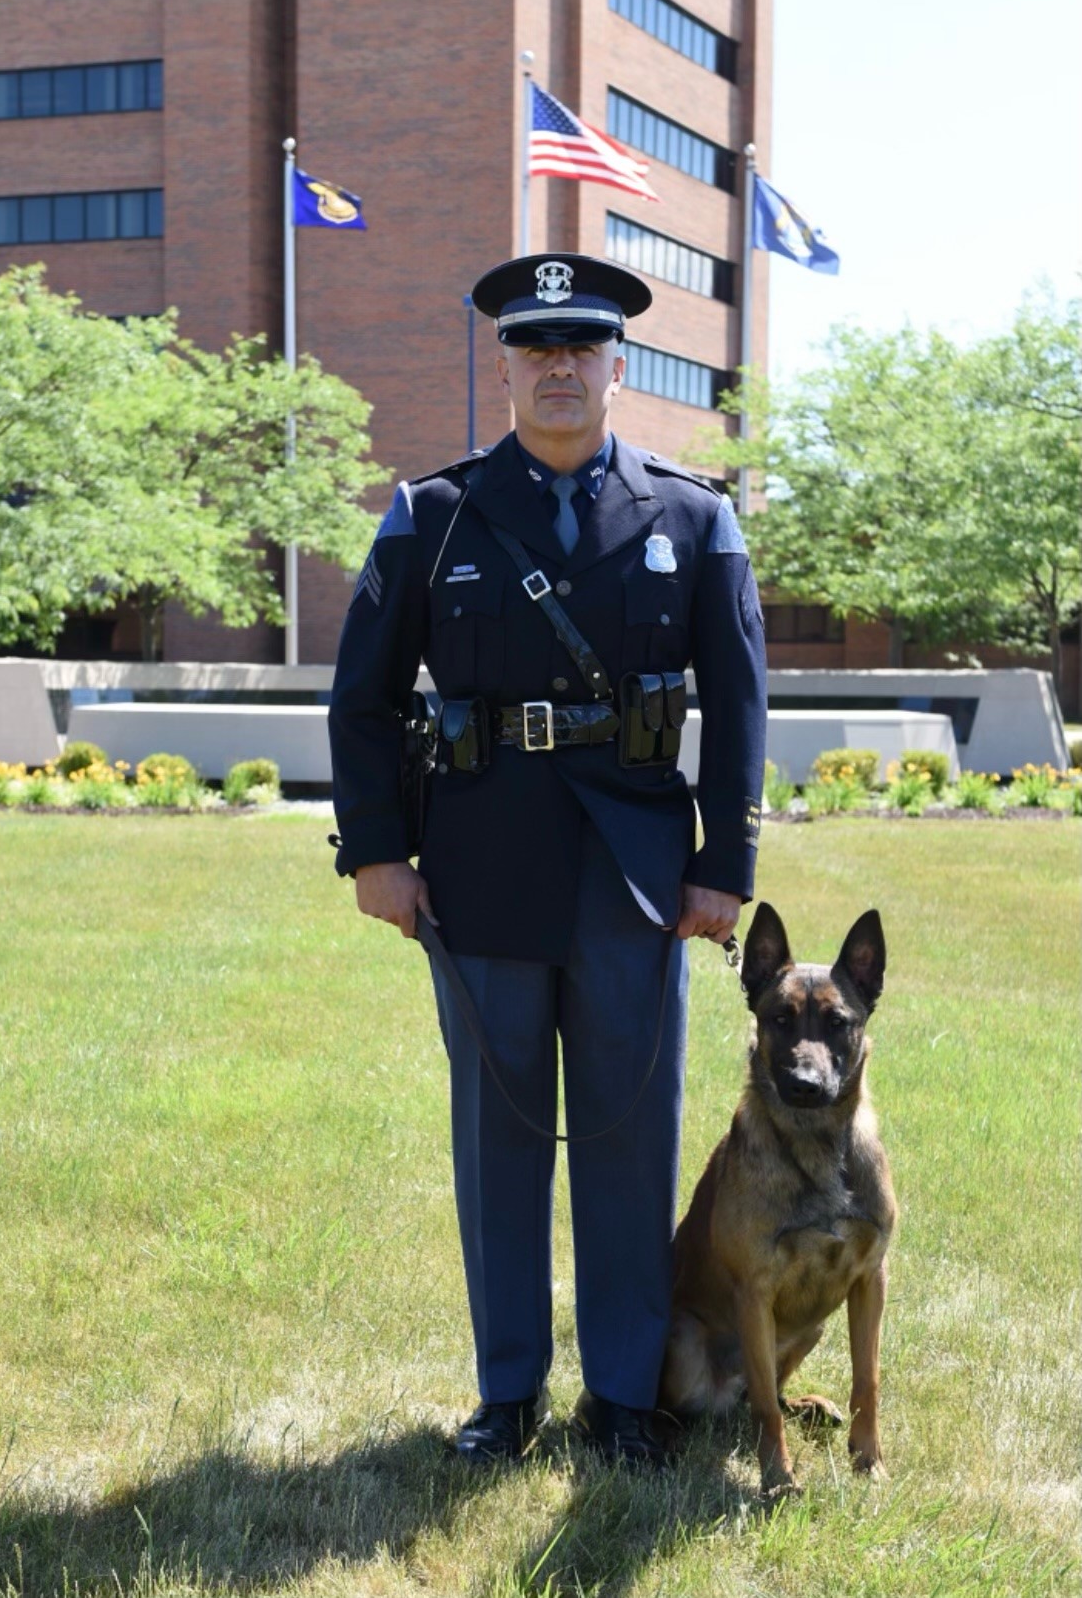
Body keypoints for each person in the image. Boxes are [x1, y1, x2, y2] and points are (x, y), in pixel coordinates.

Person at [329, 252, 767, 1466]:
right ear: (506, 364)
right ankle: (508, 1390)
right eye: (535, 346)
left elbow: (739, 706)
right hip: (477, 865)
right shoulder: (434, 516)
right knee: (498, 1133)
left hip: (636, 873)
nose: (558, 365)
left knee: (629, 1133)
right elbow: (361, 698)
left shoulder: (693, 517)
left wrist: (722, 865)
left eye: (581, 346)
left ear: (618, 365)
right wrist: (376, 853)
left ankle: (622, 1395)